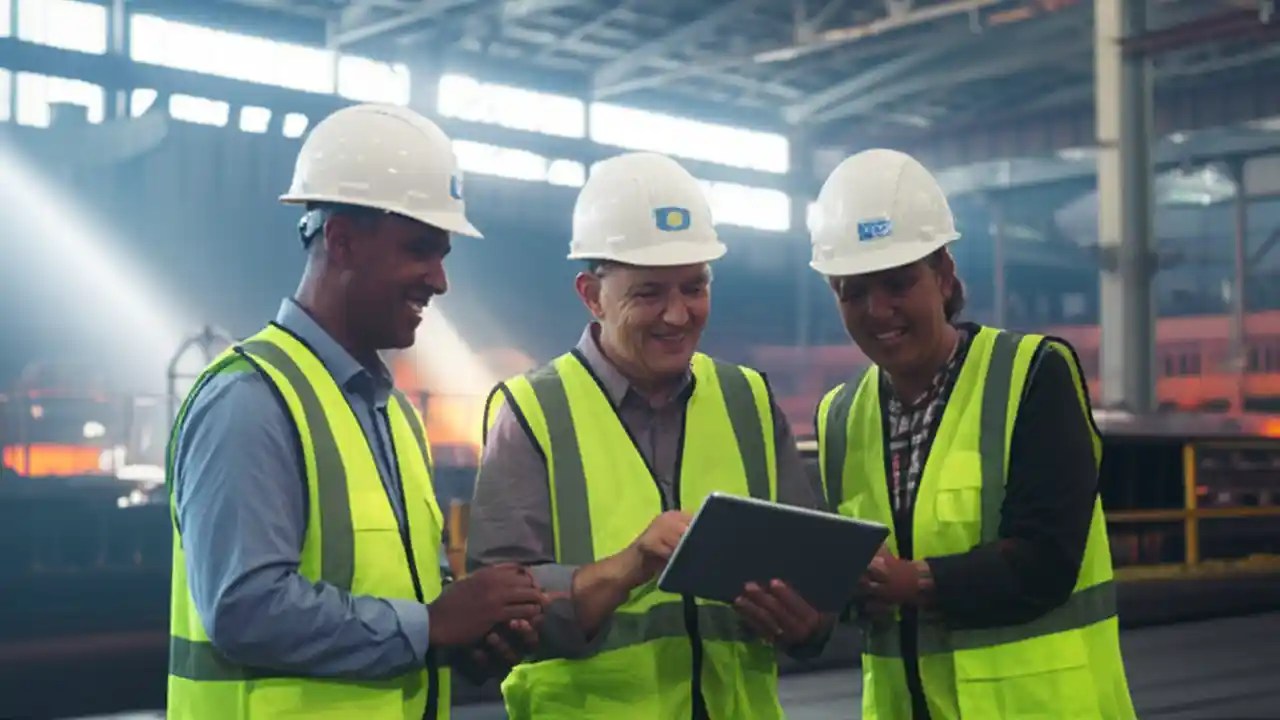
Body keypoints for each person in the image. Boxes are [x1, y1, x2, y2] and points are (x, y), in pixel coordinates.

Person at [165, 103, 547, 720]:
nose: (440, 281)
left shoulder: (392, 414)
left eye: (443, 254)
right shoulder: (251, 400)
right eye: (421, 249)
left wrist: (467, 634)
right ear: (341, 241)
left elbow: (394, 595)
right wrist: (431, 626)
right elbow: (244, 608)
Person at [466, 151, 833, 719]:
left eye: (694, 287)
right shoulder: (532, 413)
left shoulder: (749, 402)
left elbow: (810, 586)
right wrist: (630, 564)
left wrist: (807, 621)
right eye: (649, 293)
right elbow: (497, 619)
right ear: (592, 294)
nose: (678, 314)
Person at [808, 148, 1137, 719]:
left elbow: (1047, 560)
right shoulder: (839, 416)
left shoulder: (1033, 374)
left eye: (897, 283)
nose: (877, 309)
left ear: (943, 276)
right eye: (853, 292)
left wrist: (915, 582)